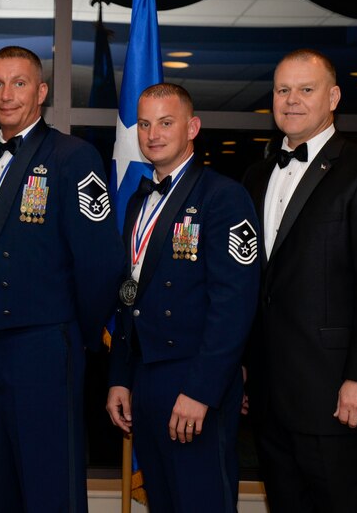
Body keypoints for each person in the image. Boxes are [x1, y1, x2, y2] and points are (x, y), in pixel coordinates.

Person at [242, 49, 357, 513]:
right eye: (282, 90)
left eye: (305, 89)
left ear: (333, 96)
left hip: (341, 397)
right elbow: (255, 285)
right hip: (271, 397)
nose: (291, 100)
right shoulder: (256, 177)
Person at [0, 45, 123, 513]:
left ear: (42, 92)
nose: (6, 95)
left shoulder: (74, 157)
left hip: (45, 346)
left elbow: (101, 264)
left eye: (19, 83)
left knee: (51, 486)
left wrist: (70, 332)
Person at [106, 83, 260, 512]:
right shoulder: (139, 201)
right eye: (144, 124)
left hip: (194, 379)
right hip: (146, 377)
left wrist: (201, 391)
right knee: (165, 501)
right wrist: (120, 375)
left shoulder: (223, 197)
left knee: (201, 500)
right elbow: (128, 295)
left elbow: (234, 304)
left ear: (192, 127)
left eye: (166, 123)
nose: (153, 134)